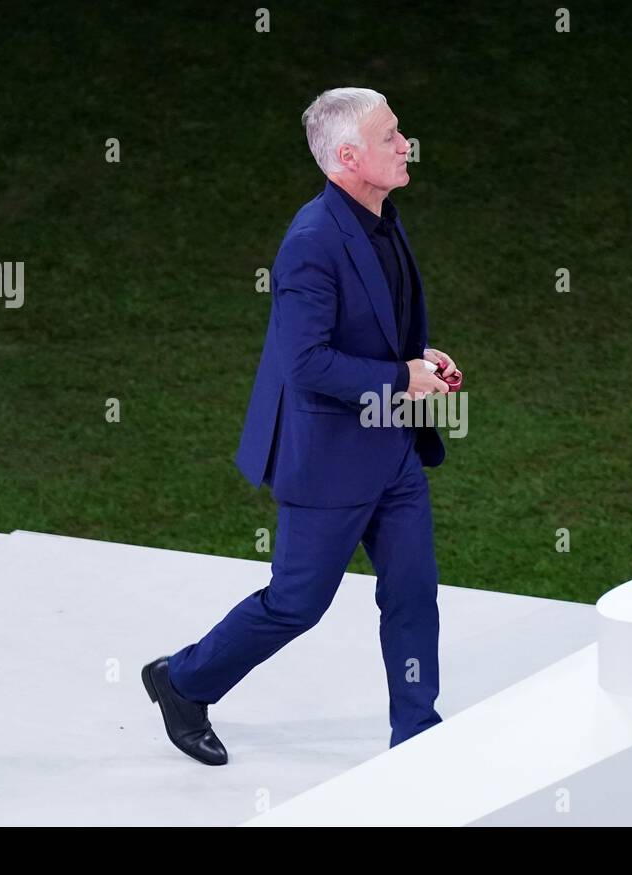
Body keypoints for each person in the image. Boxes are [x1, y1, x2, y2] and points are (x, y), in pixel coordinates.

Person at [142, 87, 458, 765]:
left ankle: (418, 739)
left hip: (392, 447)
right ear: (348, 157)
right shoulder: (311, 243)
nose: (405, 145)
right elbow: (308, 363)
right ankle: (183, 680)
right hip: (329, 457)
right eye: (390, 137)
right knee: (296, 604)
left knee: (412, 593)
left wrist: (418, 358)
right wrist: (403, 378)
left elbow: (376, 324)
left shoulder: (382, 216)